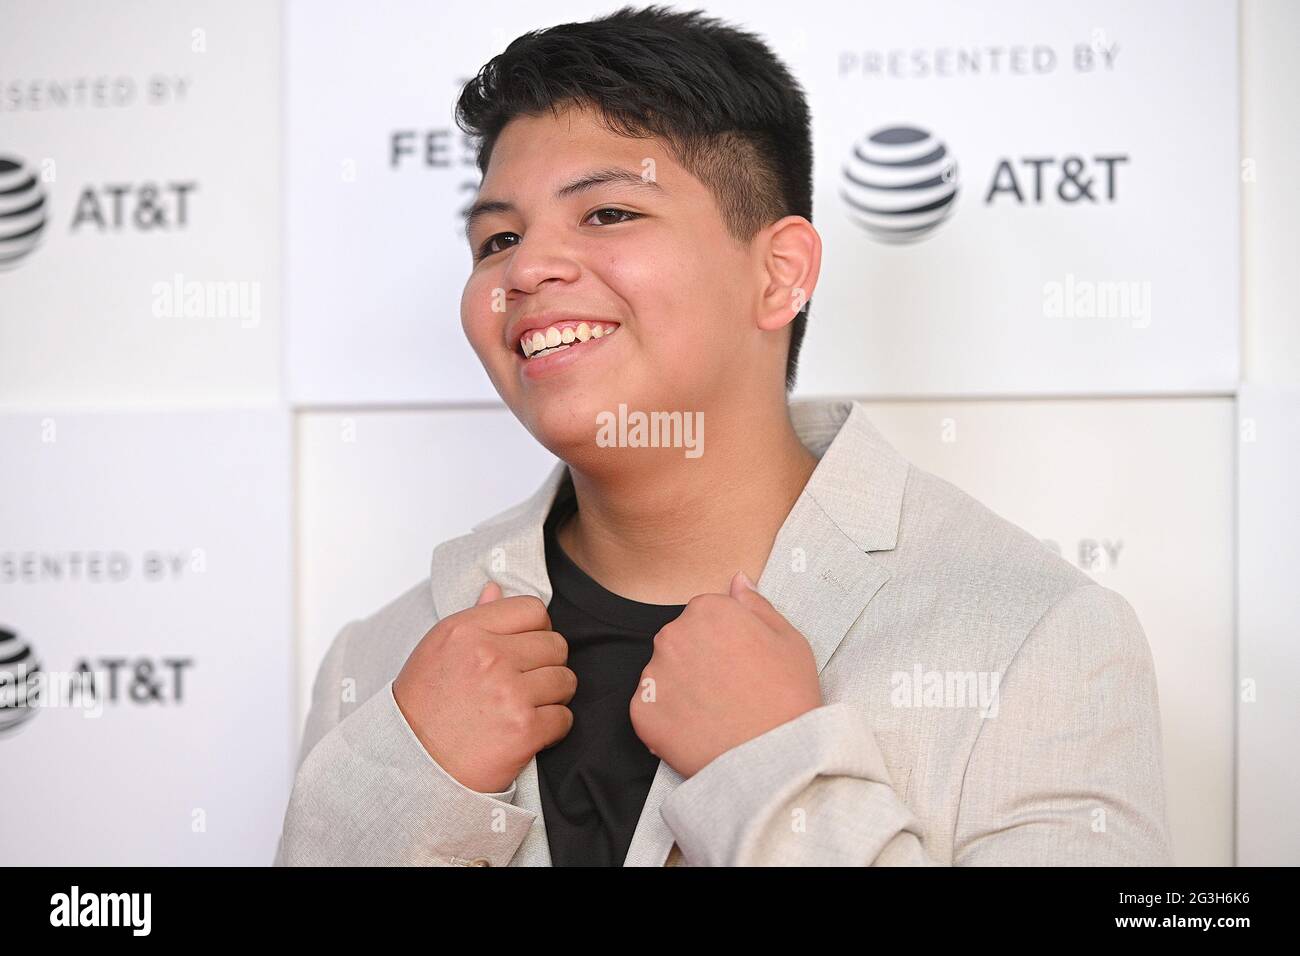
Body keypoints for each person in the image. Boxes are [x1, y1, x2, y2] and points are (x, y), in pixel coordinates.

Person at [274, 5, 1172, 867]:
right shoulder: (382, 660)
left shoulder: (1034, 635)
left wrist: (772, 773)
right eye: (496, 239)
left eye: (608, 213)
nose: (528, 268)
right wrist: (401, 791)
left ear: (779, 273)